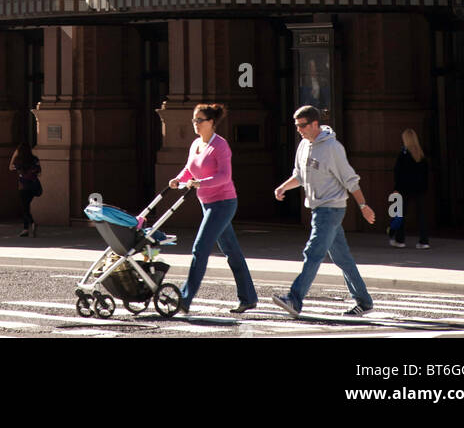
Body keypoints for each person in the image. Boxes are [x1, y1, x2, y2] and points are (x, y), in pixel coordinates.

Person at [272, 105, 376, 318]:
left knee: (313, 252)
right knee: (342, 258)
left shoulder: (332, 148)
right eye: (296, 126)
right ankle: (364, 302)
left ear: (315, 124)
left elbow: (350, 179)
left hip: (331, 209)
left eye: (302, 125)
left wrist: (363, 206)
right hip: (318, 209)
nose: (299, 130)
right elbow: (299, 176)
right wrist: (283, 187)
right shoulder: (303, 146)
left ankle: (295, 298)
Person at [168, 102, 258, 316]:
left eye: (199, 120)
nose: (195, 124)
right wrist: (178, 179)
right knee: (232, 251)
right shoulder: (196, 144)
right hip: (206, 202)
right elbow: (190, 169)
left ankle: (185, 298)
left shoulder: (220, 145)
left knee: (200, 248)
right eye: (194, 120)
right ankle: (249, 298)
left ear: (211, 122)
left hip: (223, 203)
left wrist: (201, 183)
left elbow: (224, 176)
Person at [390, 128, 429, 249]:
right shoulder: (421, 155)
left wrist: (396, 188)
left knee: (400, 214)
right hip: (419, 189)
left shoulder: (403, 154)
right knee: (421, 216)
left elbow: (398, 173)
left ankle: (400, 240)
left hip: (404, 189)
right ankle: (424, 241)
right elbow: (425, 174)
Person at [9, 143, 42, 237]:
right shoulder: (34, 159)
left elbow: (10, 167)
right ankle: (25, 229)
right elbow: (39, 171)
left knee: (25, 207)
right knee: (26, 206)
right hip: (33, 186)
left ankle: (31, 223)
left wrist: (15, 155)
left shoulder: (19, 161)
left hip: (23, 186)